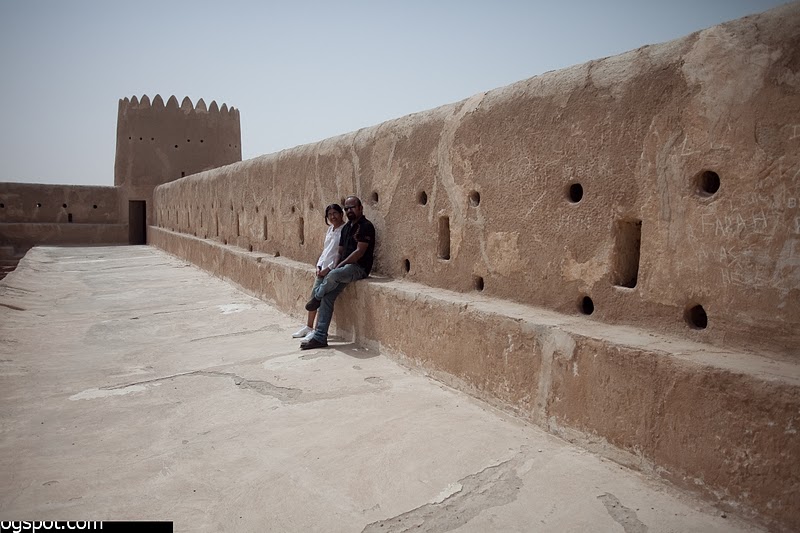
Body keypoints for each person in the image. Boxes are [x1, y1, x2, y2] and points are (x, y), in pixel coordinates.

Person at [300, 195, 376, 350]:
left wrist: (338, 267)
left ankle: (316, 297)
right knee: (328, 297)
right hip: (343, 269)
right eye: (347, 208)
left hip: (358, 268)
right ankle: (320, 337)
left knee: (333, 275)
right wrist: (335, 265)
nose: (349, 210)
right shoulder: (347, 228)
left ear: (360, 208)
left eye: (352, 207)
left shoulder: (366, 226)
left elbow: (359, 252)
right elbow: (339, 252)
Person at [291, 203, 346, 341]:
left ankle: (316, 331)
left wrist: (329, 268)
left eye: (335, 213)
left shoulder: (345, 230)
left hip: (332, 270)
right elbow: (326, 251)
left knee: (321, 299)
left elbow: (340, 253)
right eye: (330, 215)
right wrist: (319, 266)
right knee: (314, 297)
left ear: (341, 214)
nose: (332, 217)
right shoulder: (330, 229)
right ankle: (309, 327)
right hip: (322, 269)